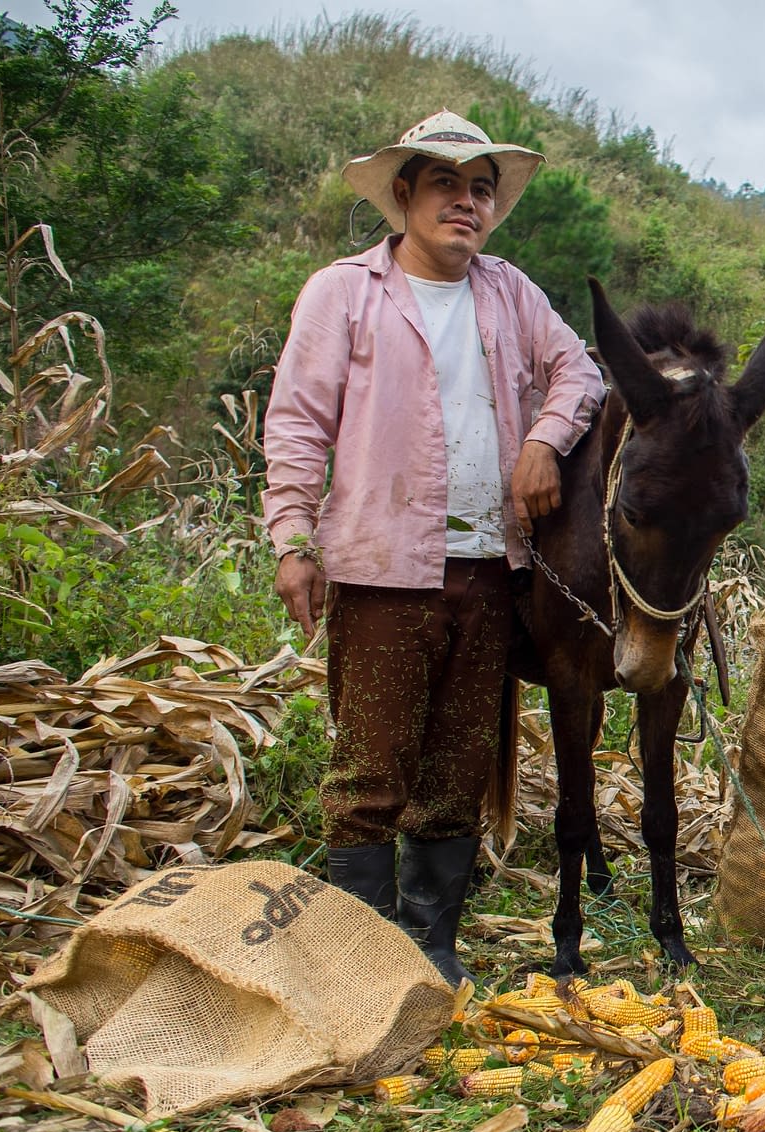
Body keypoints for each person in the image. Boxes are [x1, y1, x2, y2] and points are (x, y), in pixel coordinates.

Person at [262, 111, 604, 986]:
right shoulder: (344, 292)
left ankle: (431, 947)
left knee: (457, 767)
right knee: (371, 768)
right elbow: (299, 422)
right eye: (447, 184)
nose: (468, 201)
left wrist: (542, 442)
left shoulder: (509, 292)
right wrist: (294, 537)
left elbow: (582, 372)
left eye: (482, 188)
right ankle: (357, 959)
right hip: (383, 570)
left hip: (492, 570)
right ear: (404, 195)